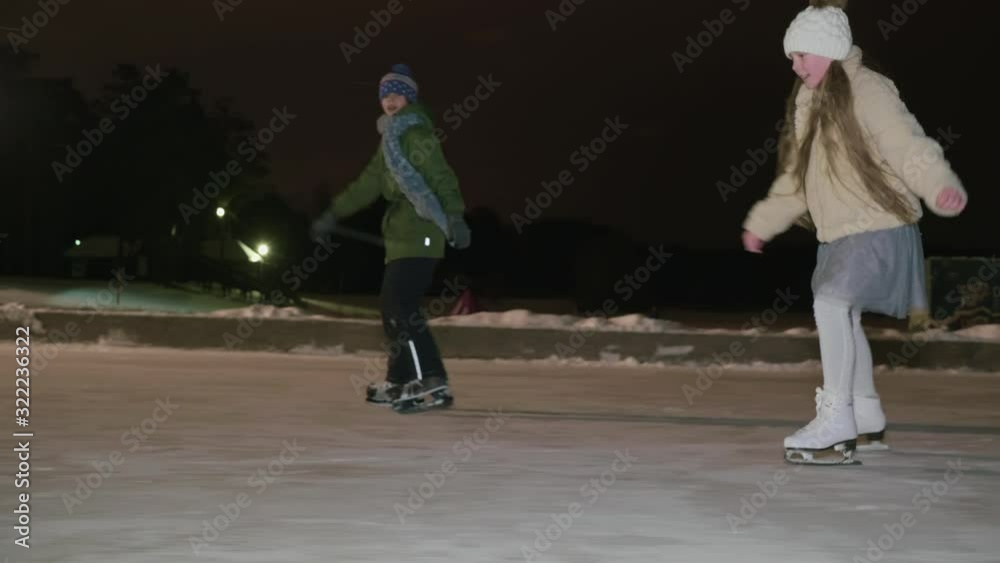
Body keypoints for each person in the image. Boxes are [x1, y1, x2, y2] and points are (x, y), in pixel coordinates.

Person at [741, 0, 968, 464]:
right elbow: (797, 178)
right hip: (840, 234)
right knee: (843, 317)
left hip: (879, 225)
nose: (794, 64)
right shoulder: (809, 103)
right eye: (791, 57)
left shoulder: (869, 90)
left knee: (832, 305)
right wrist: (764, 221)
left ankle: (837, 417)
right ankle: (865, 412)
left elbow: (907, 145)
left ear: (827, 50)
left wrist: (938, 185)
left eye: (801, 54)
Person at [311, 63, 471, 413]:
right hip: (400, 236)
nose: (391, 100)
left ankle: (429, 377)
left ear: (410, 99)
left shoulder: (416, 135)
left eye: (398, 94)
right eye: (385, 95)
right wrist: (334, 212)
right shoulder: (389, 143)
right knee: (391, 309)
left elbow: (442, 176)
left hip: (422, 232)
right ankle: (401, 379)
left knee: (402, 306)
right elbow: (367, 184)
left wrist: (456, 215)